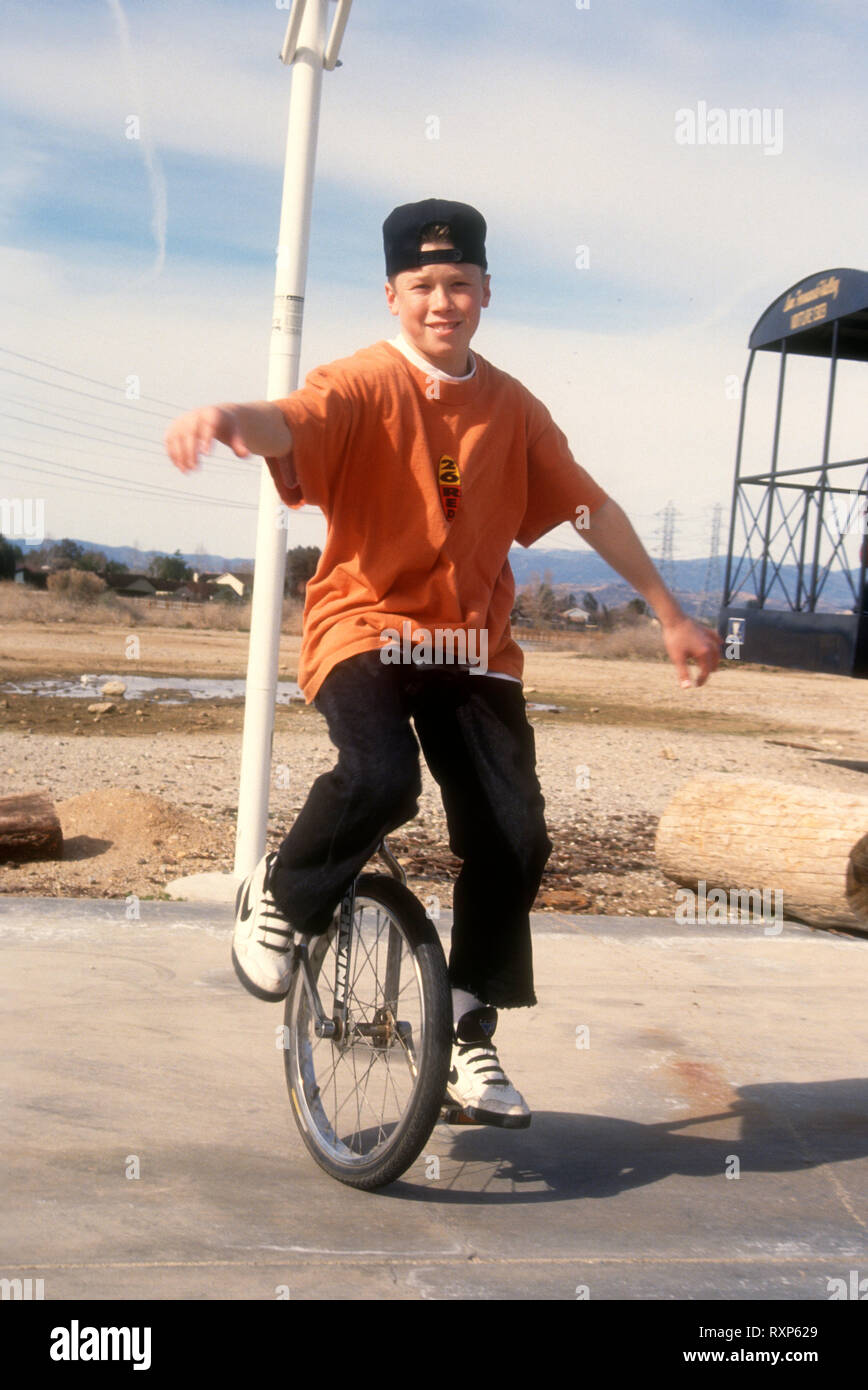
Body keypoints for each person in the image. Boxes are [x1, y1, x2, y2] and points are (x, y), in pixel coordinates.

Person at [165, 197, 720, 1127]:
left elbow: (591, 510)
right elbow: (291, 419)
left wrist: (668, 611)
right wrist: (230, 415)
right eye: (422, 285)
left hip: (471, 648)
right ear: (392, 294)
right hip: (366, 629)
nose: (441, 300)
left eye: (458, 283)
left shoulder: (514, 409)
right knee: (381, 778)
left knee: (515, 838)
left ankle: (467, 1032)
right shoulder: (362, 383)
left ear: (486, 291)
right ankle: (282, 889)